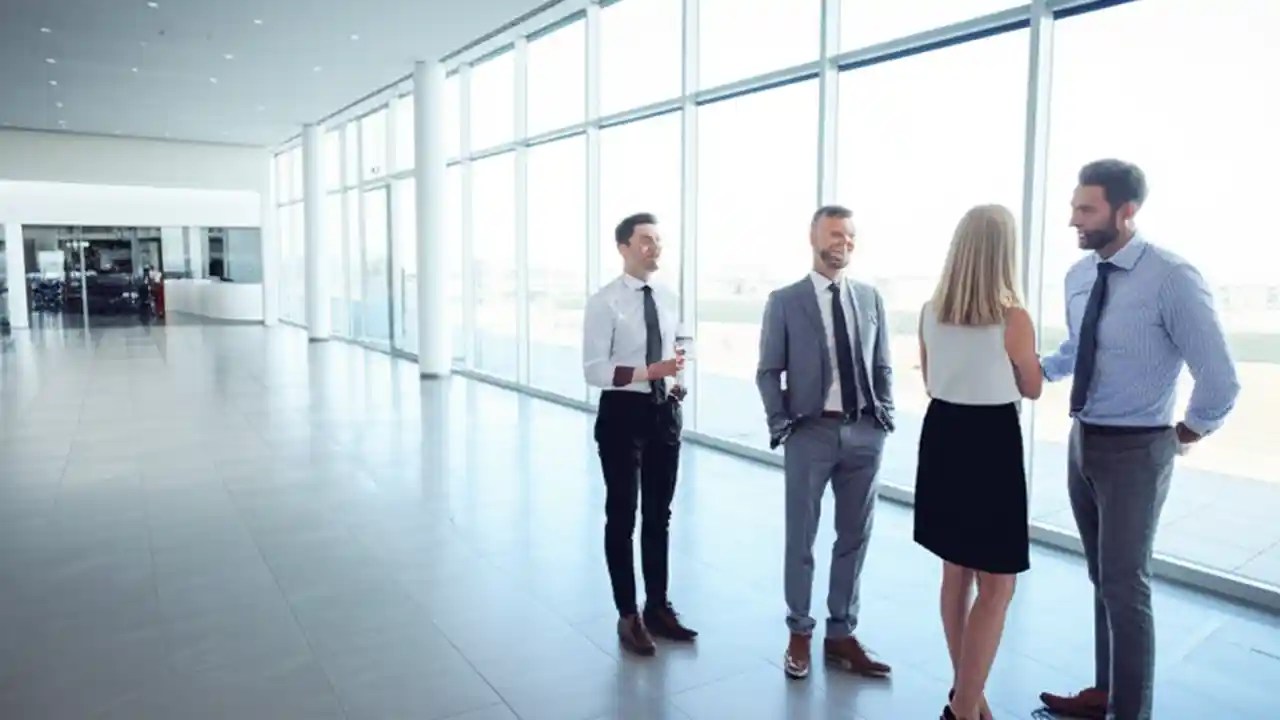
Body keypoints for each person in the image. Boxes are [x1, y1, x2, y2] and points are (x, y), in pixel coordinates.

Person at [1038, 160, 1240, 720]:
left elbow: (1220, 378)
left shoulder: (1172, 277)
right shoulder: (1078, 277)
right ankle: (1106, 695)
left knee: (1126, 587)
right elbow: (1077, 349)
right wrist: (1032, 371)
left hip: (1138, 449)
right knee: (1102, 578)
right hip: (1083, 440)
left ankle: (1129, 713)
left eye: (1086, 209)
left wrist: (1186, 432)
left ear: (1126, 212)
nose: (1073, 219)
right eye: (1074, 206)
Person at [913, 205, 1042, 720]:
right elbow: (1031, 387)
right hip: (990, 444)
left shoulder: (930, 311)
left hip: (943, 435)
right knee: (999, 584)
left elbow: (930, 382)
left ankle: (967, 696)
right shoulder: (1014, 319)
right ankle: (965, 706)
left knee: (956, 572)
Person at [756, 205, 894, 680]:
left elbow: (882, 364)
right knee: (802, 537)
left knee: (855, 536)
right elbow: (768, 371)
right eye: (835, 233)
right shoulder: (785, 300)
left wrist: (883, 417)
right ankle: (799, 630)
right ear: (813, 238)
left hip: (864, 433)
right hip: (810, 432)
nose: (844, 241)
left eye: (850, 235)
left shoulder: (871, 298)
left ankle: (841, 634)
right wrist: (782, 423)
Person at [582, 212, 697, 656]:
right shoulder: (604, 302)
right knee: (622, 515)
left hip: (663, 413)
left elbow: (681, 346)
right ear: (623, 247)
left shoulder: (669, 297)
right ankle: (627, 615)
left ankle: (658, 608)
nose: (655, 247)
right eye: (646, 240)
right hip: (622, 416)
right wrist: (650, 371)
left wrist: (676, 379)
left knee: (658, 515)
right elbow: (594, 370)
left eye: (658, 240)